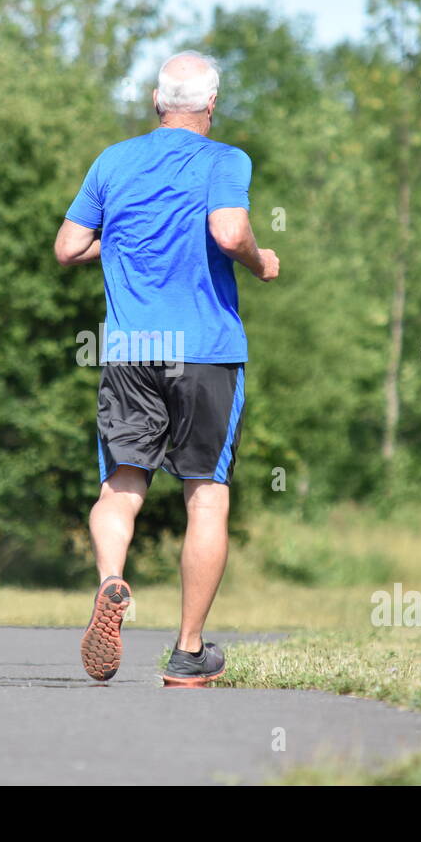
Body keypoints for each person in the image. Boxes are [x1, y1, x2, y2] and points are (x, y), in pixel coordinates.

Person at [53, 50, 280, 686]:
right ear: (211, 106)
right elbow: (231, 231)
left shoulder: (113, 160)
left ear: (157, 102)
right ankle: (187, 654)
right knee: (205, 494)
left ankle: (111, 582)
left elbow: (68, 246)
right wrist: (261, 263)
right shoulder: (225, 160)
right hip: (206, 350)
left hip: (131, 348)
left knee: (121, 485)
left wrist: (120, 242)